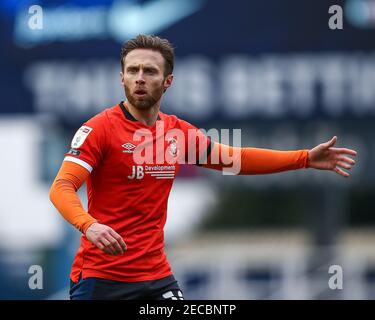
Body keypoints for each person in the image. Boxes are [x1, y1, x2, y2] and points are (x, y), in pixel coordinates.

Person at [49, 34, 357, 300]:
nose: (139, 77)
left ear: (167, 81)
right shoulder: (99, 129)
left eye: (149, 71)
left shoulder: (177, 132)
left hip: (155, 277)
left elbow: (236, 159)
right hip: (102, 278)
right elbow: (61, 187)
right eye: (132, 70)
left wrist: (304, 158)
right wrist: (90, 225)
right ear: (122, 78)